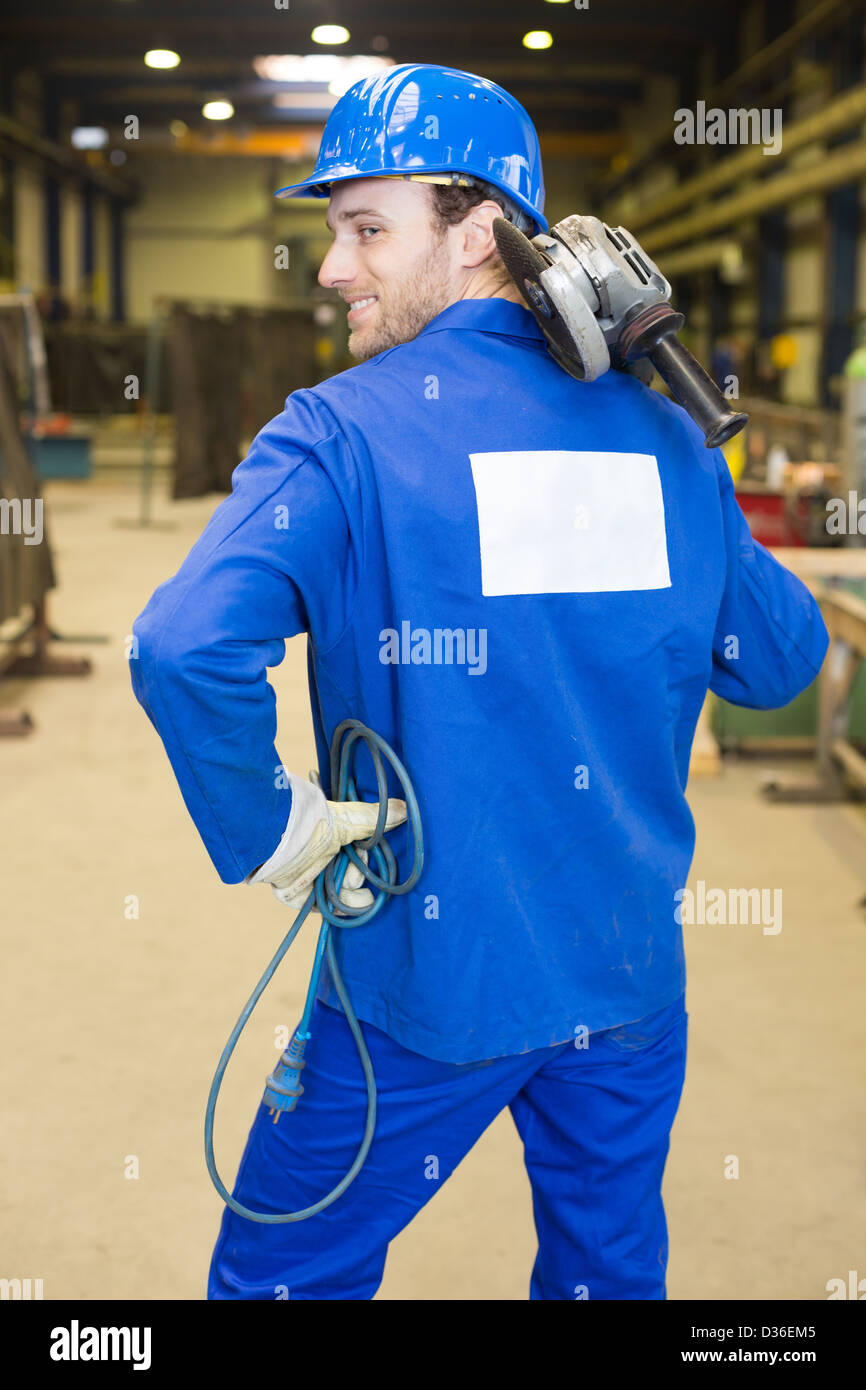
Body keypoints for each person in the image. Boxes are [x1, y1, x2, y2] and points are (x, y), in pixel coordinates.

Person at [130, 64, 829, 1300]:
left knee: (283, 1279)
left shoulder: (338, 432)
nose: (333, 267)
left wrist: (273, 821)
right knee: (607, 1280)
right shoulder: (660, 435)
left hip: (418, 990)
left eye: (365, 229)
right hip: (620, 984)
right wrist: (685, 469)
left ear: (476, 236)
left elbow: (182, 646)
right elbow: (778, 660)